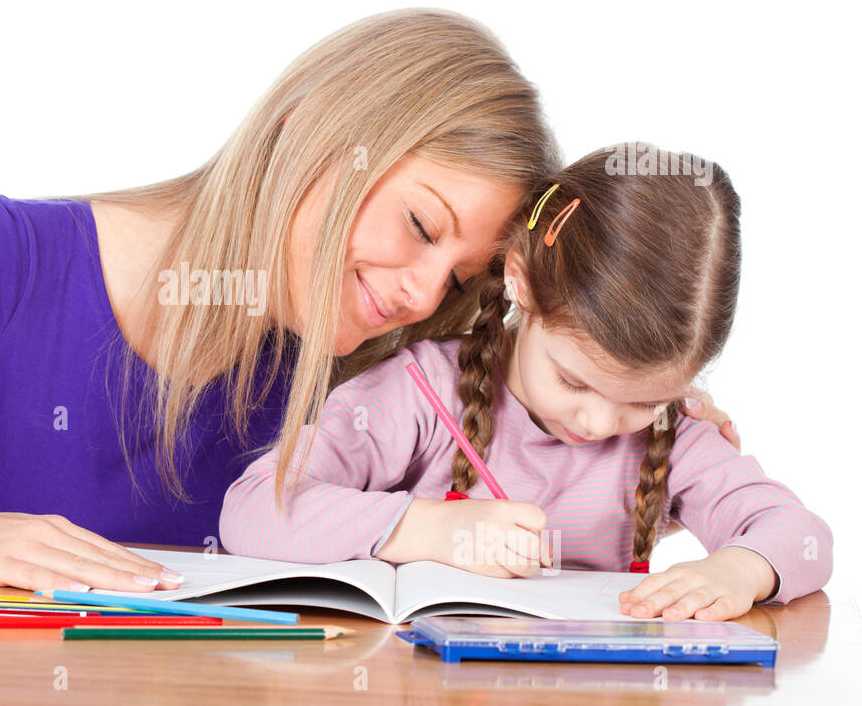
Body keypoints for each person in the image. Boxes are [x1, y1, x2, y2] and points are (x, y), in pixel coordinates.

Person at [0, 9, 732, 594]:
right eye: (420, 226)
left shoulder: (388, 373)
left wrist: (658, 413)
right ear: (312, 138)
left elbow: (561, 373)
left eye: (465, 278)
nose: (421, 294)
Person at [219, 144, 831, 620]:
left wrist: (741, 570)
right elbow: (252, 512)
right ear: (521, 282)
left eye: (643, 399)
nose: (597, 424)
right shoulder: (418, 394)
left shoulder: (676, 434)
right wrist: (430, 529)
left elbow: (804, 538)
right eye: (573, 380)